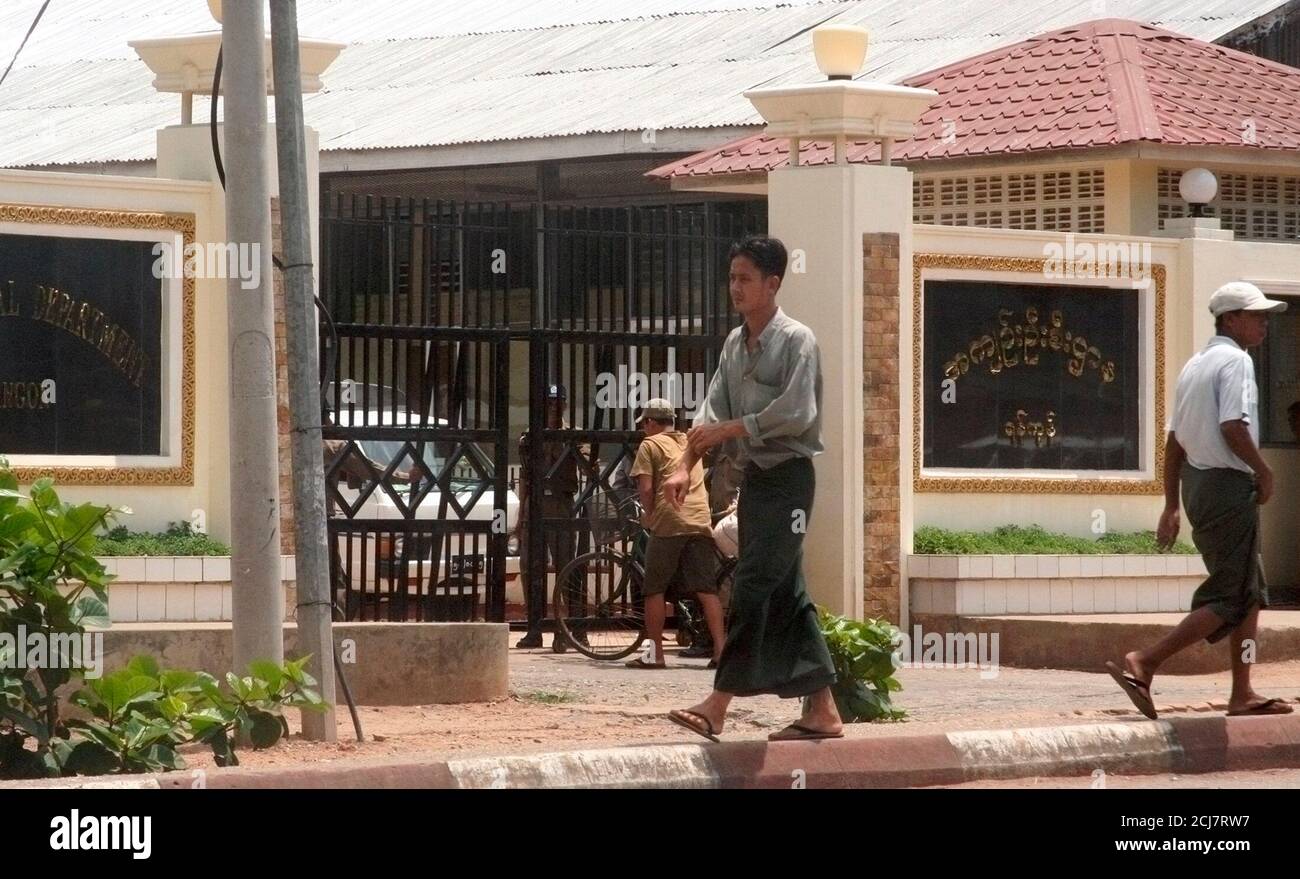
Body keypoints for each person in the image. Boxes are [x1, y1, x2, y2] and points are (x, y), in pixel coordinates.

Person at [662, 235, 843, 742]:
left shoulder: (797, 341)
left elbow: (797, 413)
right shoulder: (733, 345)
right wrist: (684, 465)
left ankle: (717, 704)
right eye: (732, 277)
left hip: (790, 482)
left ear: (773, 283)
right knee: (788, 593)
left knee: (754, 584)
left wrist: (732, 429)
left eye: (745, 278)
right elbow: (710, 415)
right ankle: (824, 711)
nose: (735, 287)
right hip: (757, 483)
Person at [1107, 282, 1293, 719]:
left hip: (1199, 486)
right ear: (1230, 319)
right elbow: (1233, 426)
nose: (1264, 322)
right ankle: (1146, 660)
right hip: (1228, 487)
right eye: (1256, 315)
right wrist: (1264, 471)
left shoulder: (1195, 365)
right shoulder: (1237, 361)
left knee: (1249, 594)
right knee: (1231, 594)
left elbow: (1174, 443)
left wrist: (1171, 504)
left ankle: (1242, 692)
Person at [625, 398, 726, 670]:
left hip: (670, 521)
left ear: (650, 422)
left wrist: (649, 515)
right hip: (700, 520)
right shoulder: (689, 442)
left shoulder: (650, 444)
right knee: (707, 590)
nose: (643, 429)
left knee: (654, 589)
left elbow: (646, 488)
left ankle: (655, 655)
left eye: (644, 424)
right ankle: (721, 652)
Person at [514, 384, 587, 651]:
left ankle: (572, 629)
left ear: (565, 405)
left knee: (566, 567)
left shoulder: (574, 434)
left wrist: (574, 445)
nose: (553, 408)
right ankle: (534, 629)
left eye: (558, 403)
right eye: (548, 403)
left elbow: (588, 467)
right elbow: (525, 476)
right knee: (529, 567)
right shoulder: (530, 435)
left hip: (560, 501)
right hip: (535, 504)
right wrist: (521, 515)